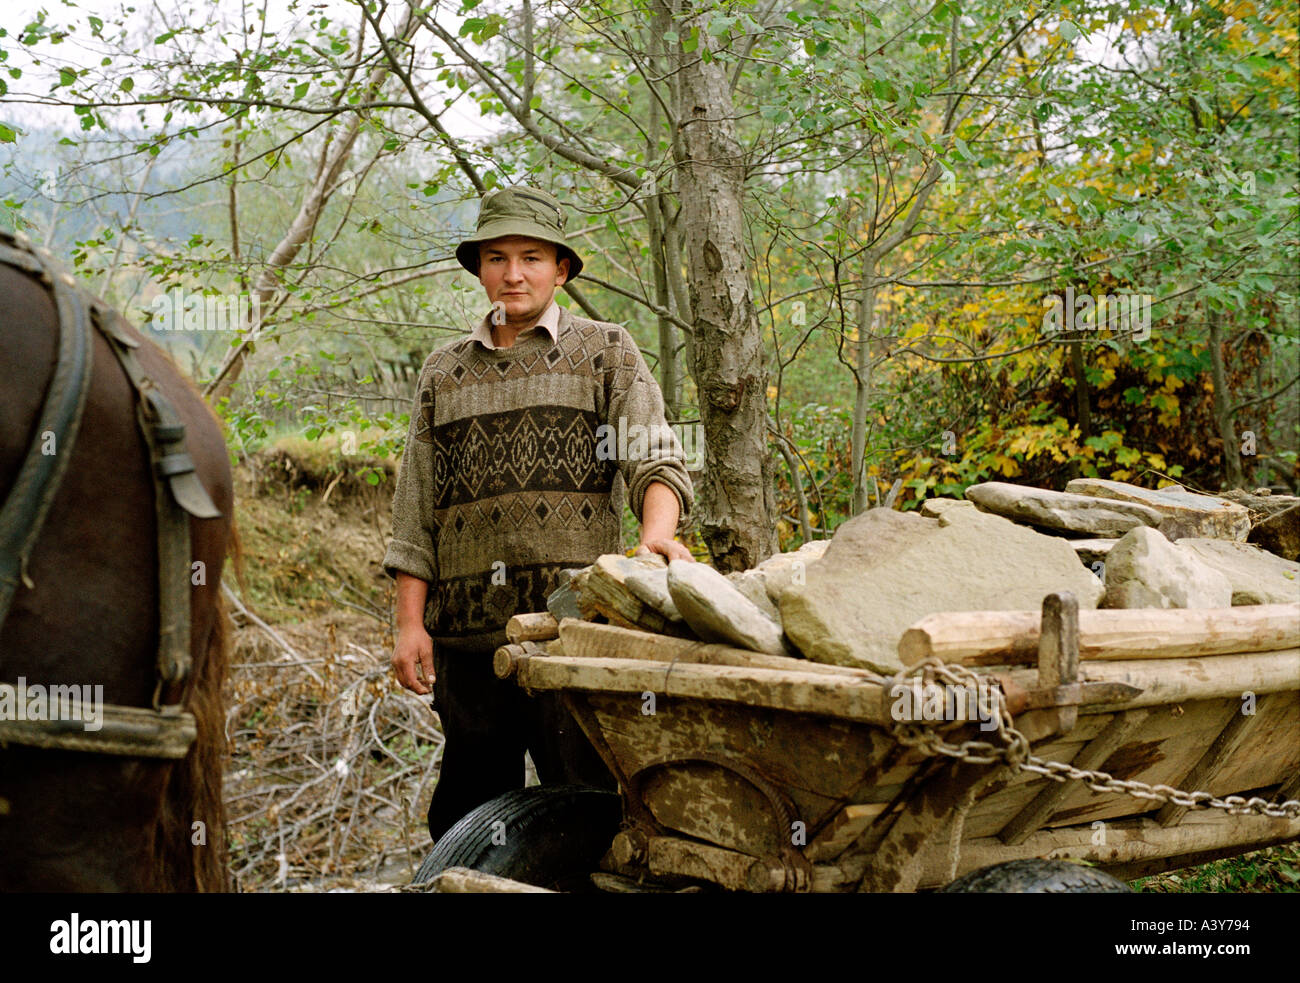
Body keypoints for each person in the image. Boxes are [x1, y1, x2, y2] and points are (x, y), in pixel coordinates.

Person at [382, 185, 695, 840]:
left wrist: (656, 538)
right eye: (496, 257)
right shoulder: (444, 372)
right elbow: (415, 511)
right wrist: (410, 624)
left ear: (562, 268)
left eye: (531, 256)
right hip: (468, 645)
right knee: (465, 826)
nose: (513, 273)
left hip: (573, 634)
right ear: (479, 269)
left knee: (587, 815)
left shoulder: (607, 352)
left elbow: (655, 461)